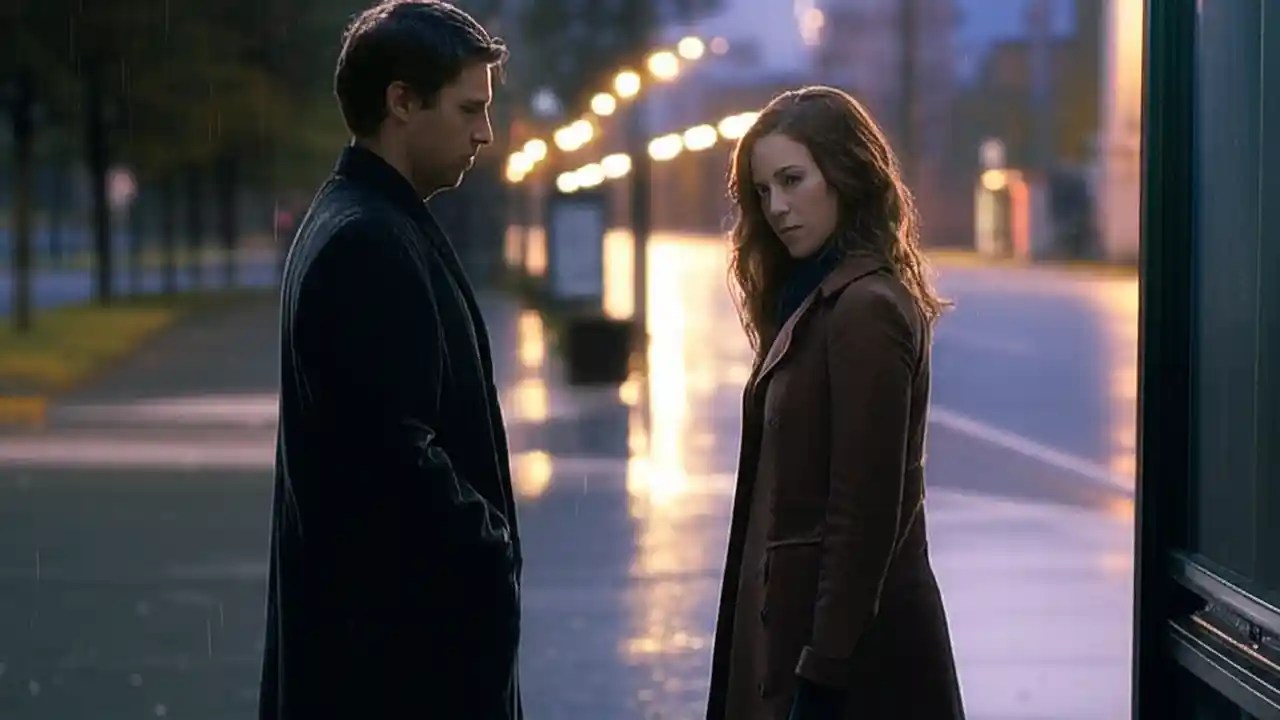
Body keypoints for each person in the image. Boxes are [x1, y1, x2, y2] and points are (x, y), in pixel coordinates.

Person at [259, 2, 522, 718]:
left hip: (380, 653)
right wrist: (487, 548)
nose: (485, 133)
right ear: (402, 102)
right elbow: (393, 459)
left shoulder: (360, 219)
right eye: (469, 109)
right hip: (396, 668)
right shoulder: (366, 241)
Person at [706, 86, 966, 720]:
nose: (777, 207)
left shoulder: (864, 309)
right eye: (763, 191)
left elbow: (865, 514)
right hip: (798, 637)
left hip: (851, 661)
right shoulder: (813, 298)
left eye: (793, 180)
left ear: (845, 175)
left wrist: (822, 672)